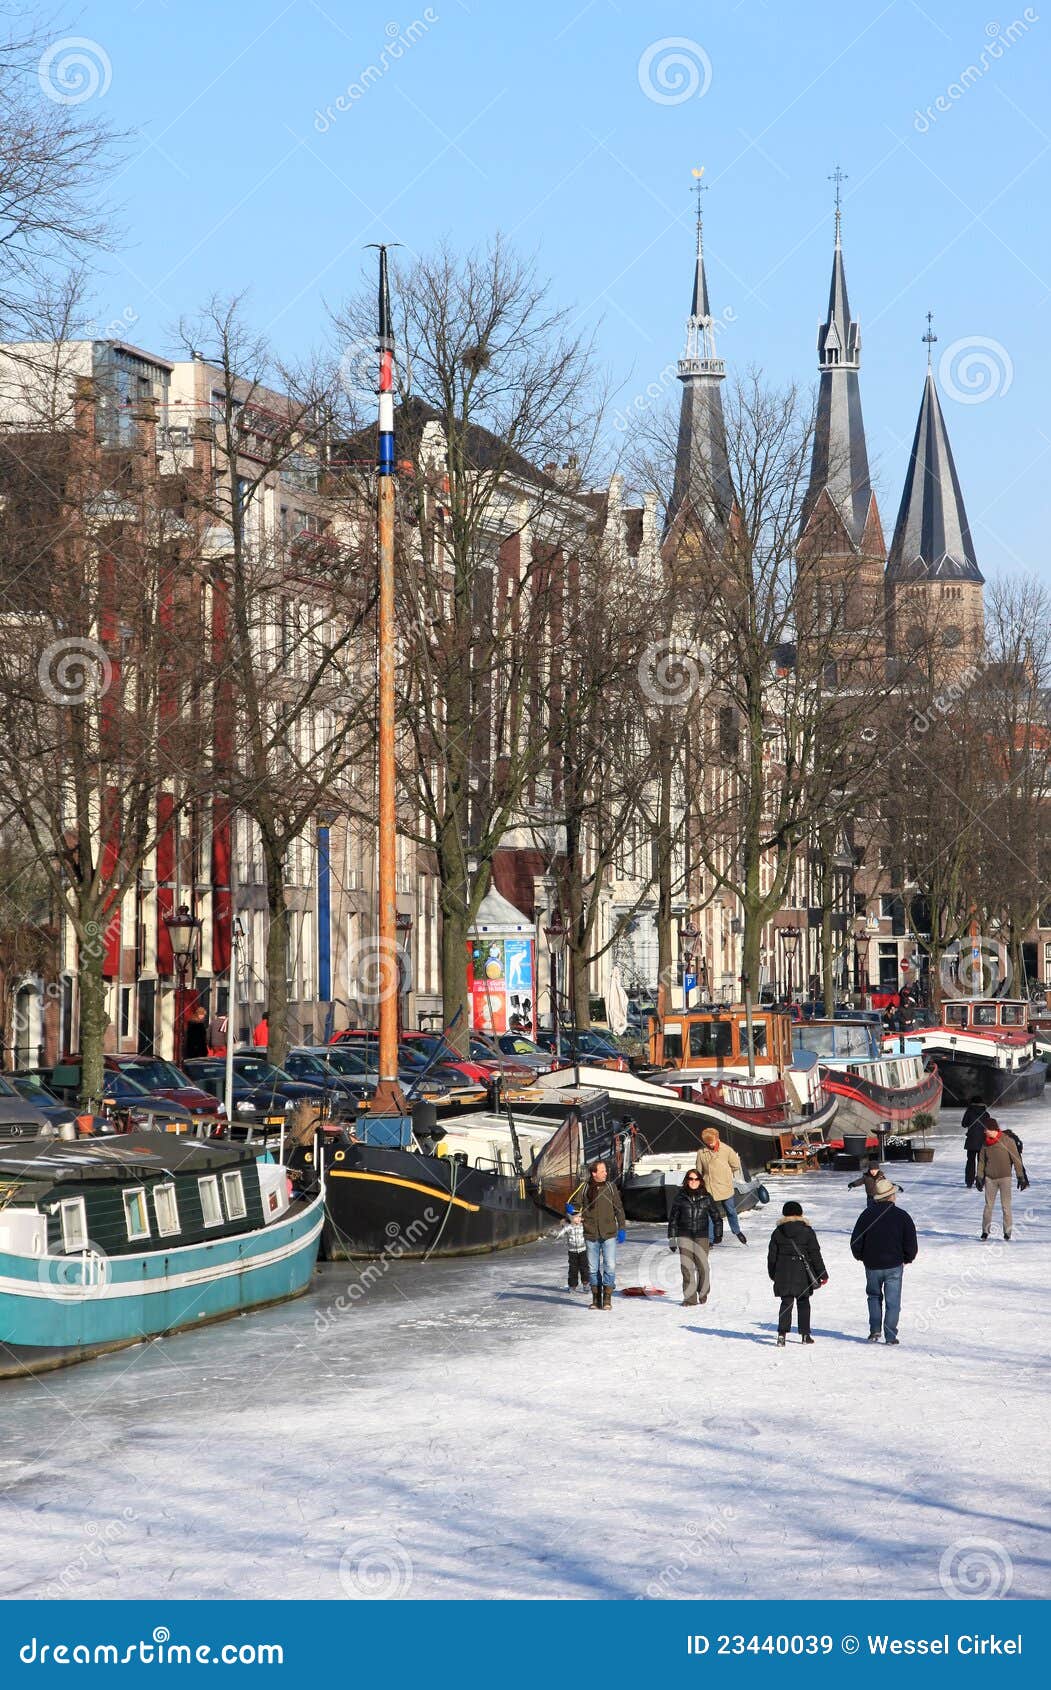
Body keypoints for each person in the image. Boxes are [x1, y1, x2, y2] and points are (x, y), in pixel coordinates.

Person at [849, 1177, 918, 1344]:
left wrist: (861, 1256)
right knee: (893, 1301)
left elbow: (855, 1240)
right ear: (892, 1196)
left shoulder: (866, 1214)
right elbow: (910, 1242)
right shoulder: (902, 1216)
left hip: (872, 1264)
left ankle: (874, 1331)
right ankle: (890, 1335)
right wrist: (907, 1258)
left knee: (873, 1297)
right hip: (894, 1264)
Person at [767, 1200, 827, 1346]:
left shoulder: (777, 1232)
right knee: (803, 1303)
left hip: (783, 1272)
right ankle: (805, 1335)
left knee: (786, 1302)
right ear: (800, 1214)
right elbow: (815, 1254)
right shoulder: (807, 1231)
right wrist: (822, 1273)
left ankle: (782, 1335)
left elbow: (772, 1256)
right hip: (802, 1273)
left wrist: (773, 1273)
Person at [574, 1159, 626, 1310]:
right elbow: (575, 1206)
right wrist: (572, 1212)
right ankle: (596, 1299)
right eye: (602, 1171)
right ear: (594, 1173)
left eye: (605, 1170)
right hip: (591, 1235)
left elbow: (619, 1209)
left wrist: (621, 1227)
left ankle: (607, 1298)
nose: (606, 1173)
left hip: (609, 1233)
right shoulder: (584, 1188)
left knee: (609, 1266)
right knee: (592, 1268)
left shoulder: (611, 1187)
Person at [667, 1169, 720, 1307]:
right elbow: (673, 1220)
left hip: (701, 1236)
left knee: (703, 1266)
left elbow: (716, 1217)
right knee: (686, 1267)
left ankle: (703, 1292)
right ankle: (690, 1299)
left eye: (696, 1179)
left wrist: (718, 1233)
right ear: (687, 1180)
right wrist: (672, 1239)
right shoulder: (680, 1198)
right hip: (684, 1235)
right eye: (691, 1179)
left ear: (700, 1181)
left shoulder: (707, 1197)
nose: (693, 1182)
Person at [976, 1119, 1028, 1241]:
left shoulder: (1007, 1141)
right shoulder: (985, 1144)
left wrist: (1021, 1176)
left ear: (993, 1129)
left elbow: (1016, 1159)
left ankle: (1007, 1232)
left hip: (1005, 1178)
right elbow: (981, 1162)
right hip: (990, 1179)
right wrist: (979, 1176)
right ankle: (985, 1231)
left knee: (1006, 1206)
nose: (984, 1131)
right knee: (988, 1206)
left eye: (986, 1129)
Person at [695, 1127, 747, 1244]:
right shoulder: (701, 1153)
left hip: (725, 1186)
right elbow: (699, 1170)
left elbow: (735, 1165)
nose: (710, 1144)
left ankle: (737, 1231)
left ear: (717, 1138)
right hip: (709, 1188)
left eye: (711, 1142)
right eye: (707, 1142)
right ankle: (710, 1239)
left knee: (731, 1211)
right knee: (709, 1214)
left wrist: (726, 1174)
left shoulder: (727, 1150)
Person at [558, 1206, 590, 1294]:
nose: (580, 1218)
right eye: (577, 1217)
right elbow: (560, 1234)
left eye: (580, 1216)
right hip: (572, 1252)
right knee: (573, 1269)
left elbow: (591, 1230)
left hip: (583, 1250)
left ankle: (586, 1283)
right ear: (572, 1218)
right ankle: (572, 1285)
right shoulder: (568, 1227)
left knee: (584, 1268)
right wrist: (555, 1234)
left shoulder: (583, 1226)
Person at [962, 1102, 989, 1188]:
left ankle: (969, 1181)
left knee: (970, 1161)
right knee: (981, 1162)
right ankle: (981, 1181)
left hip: (971, 1141)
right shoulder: (986, 1114)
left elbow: (964, 1124)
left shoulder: (969, 1112)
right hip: (982, 1142)